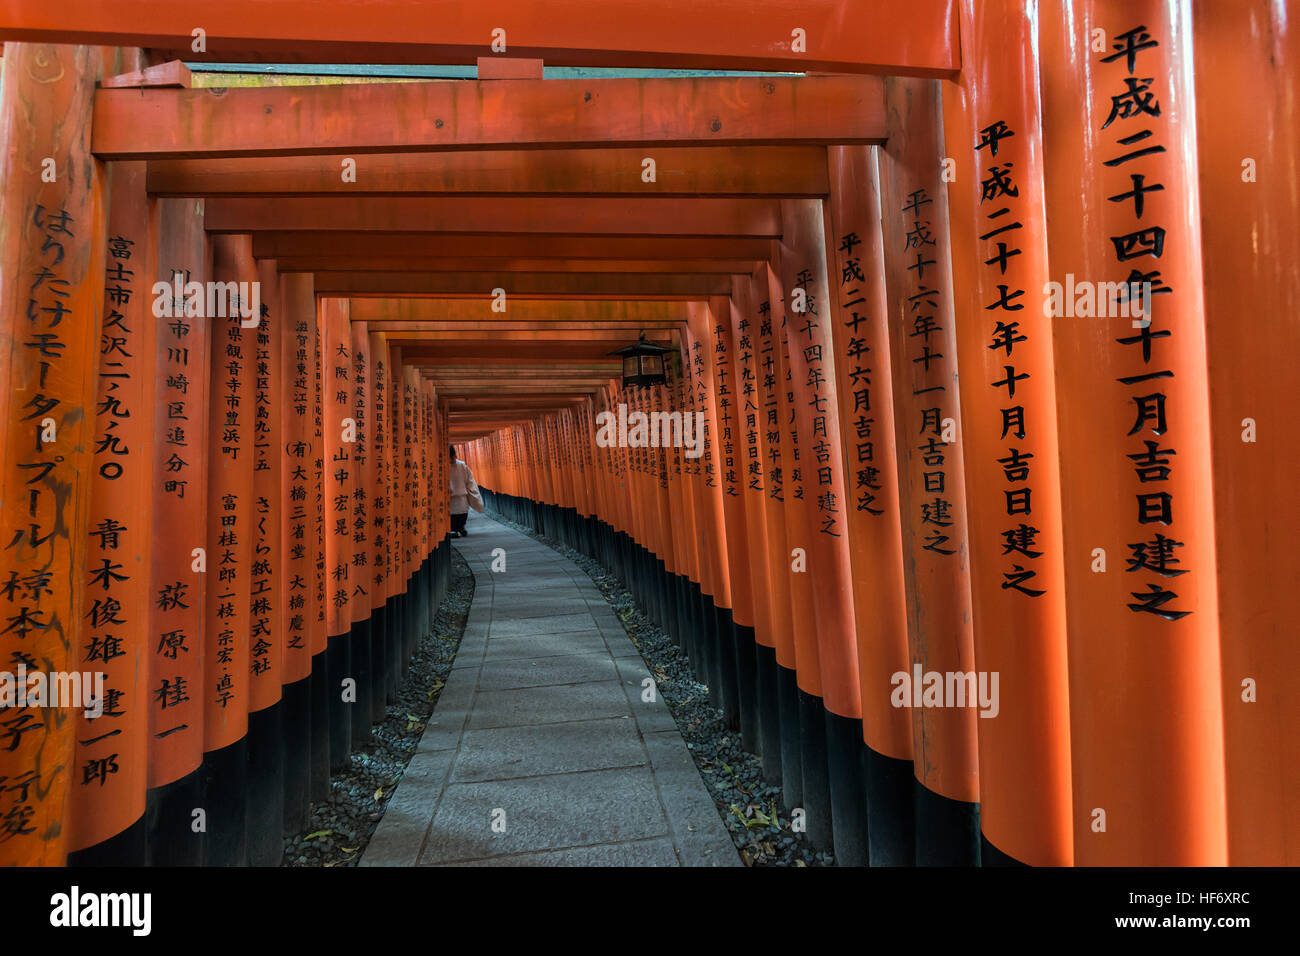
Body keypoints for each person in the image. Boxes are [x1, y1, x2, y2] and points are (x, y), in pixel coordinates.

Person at [448, 444, 482, 537]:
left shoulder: (462, 465)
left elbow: (469, 480)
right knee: (452, 515)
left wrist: (472, 491)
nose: (452, 460)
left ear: (455, 456)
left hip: (462, 494)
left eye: (453, 457)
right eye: (450, 458)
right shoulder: (443, 466)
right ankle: (453, 529)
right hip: (450, 496)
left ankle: (461, 527)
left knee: (463, 513)